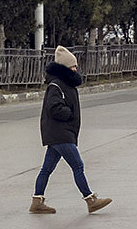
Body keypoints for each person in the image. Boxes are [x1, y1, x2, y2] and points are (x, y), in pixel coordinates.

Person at [30, 46, 112, 215]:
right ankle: (90, 200)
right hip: (61, 134)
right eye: (72, 67)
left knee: (46, 169)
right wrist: (68, 113)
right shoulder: (56, 85)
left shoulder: (64, 84)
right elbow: (54, 107)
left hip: (58, 134)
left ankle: (37, 201)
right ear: (64, 68)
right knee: (78, 166)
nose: (75, 69)